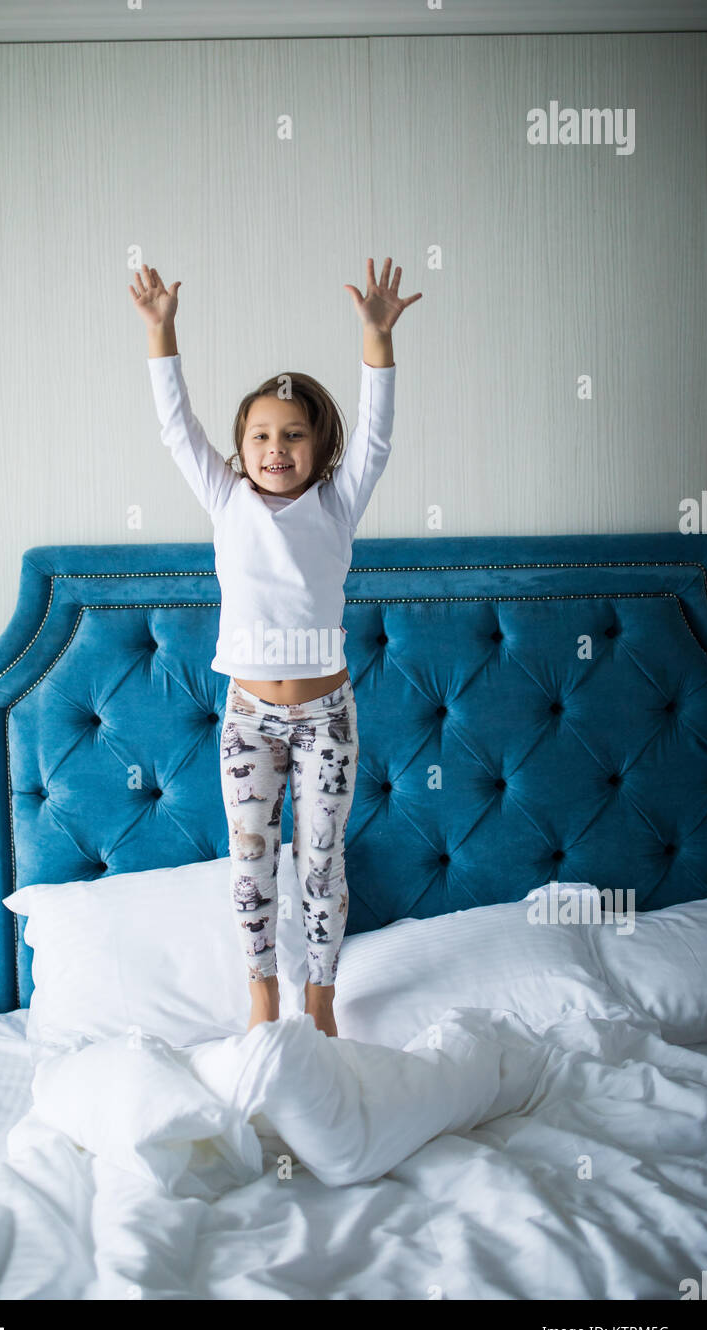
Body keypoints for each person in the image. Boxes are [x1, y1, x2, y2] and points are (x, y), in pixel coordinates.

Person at [130, 258, 421, 1036]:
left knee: (320, 861)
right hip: (249, 718)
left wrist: (376, 341)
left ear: (321, 447)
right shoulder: (226, 499)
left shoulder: (337, 503)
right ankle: (262, 997)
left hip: (327, 714)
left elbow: (381, 434)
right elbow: (174, 428)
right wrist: (162, 333)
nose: (275, 447)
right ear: (241, 447)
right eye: (260, 435)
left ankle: (319, 1004)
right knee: (251, 859)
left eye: (293, 435)